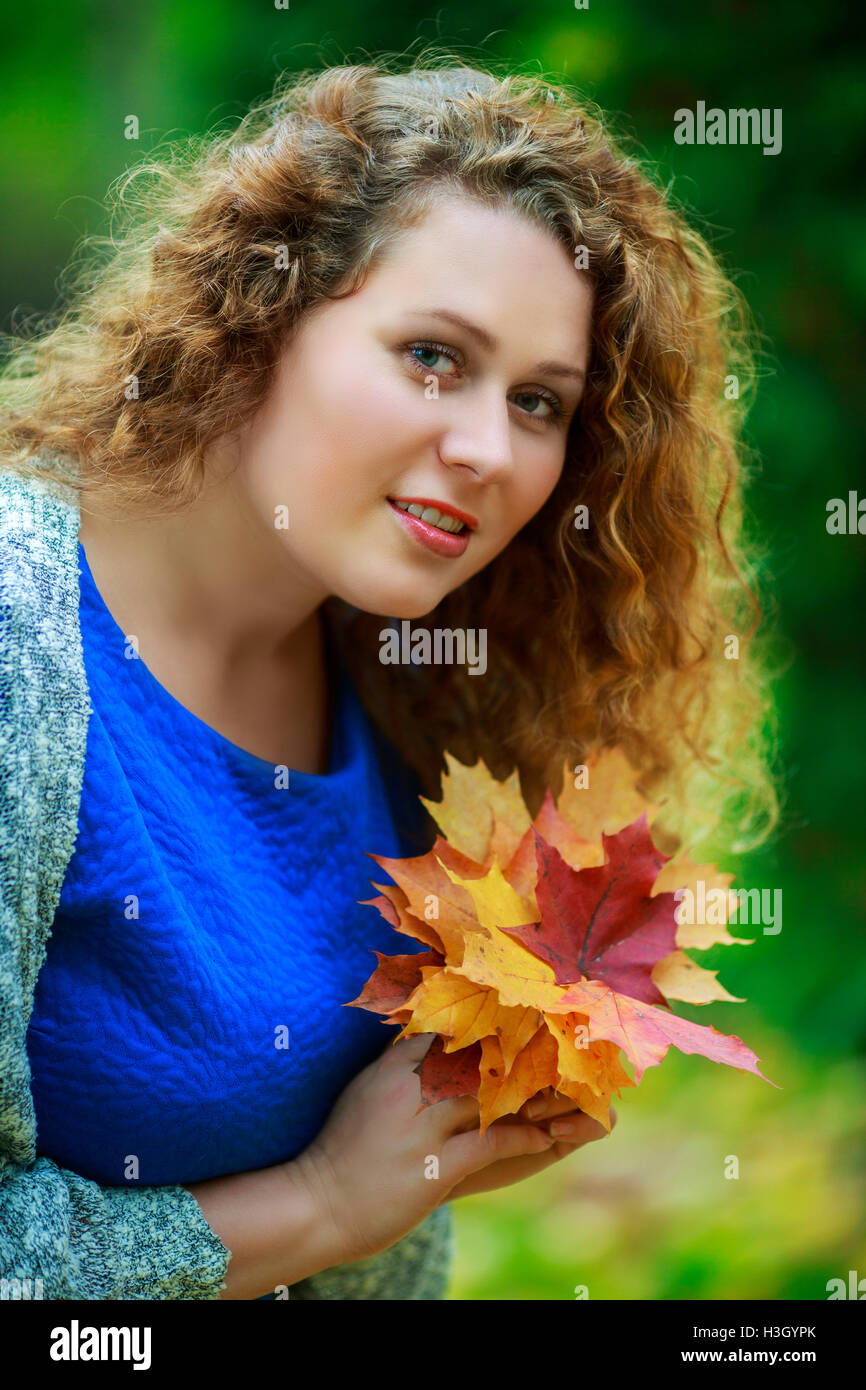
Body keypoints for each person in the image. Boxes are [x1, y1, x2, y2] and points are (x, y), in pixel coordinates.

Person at [0, 55, 778, 1301]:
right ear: (260, 311)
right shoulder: (17, 636)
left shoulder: (415, 683)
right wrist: (318, 1206)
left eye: (538, 401)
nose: (484, 449)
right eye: (430, 355)